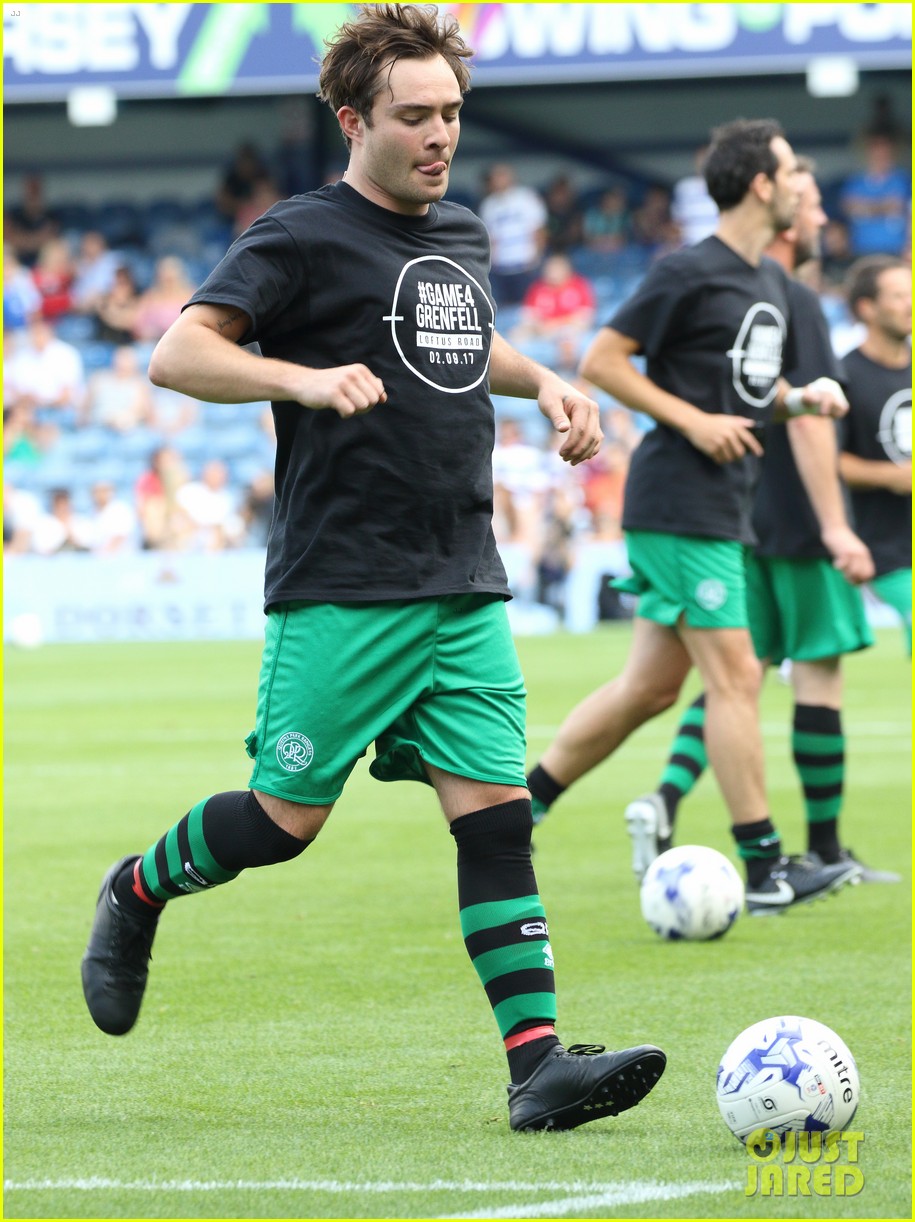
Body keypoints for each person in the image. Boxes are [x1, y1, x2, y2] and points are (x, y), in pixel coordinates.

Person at [81, 4, 665, 1135]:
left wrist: (541, 380)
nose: (440, 134)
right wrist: (298, 379)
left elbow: (456, 340)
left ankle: (537, 1068)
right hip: (345, 581)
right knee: (281, 823)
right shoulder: (299, 234)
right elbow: (178, 350)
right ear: (355, 119)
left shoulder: (464, 237)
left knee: (497, 818)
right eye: (415, 115)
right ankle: (136, 887)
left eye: (451, 112)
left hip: (464, 576)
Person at [525, 119, 861, 915]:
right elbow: (602, 360)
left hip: (720, 505)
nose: (802, 187)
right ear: (760, 185)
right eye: (790, 173)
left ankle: (519, 809)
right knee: (738, 676)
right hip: (678, 501)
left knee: (648, 688)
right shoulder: (689, 270)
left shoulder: (769, 285)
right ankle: (769, 869)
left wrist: (798, 399)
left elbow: (744, 392)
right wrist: (691, 422)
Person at [620, 161, 898, 884]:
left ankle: (661, 796)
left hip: (741, 516)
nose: (818, 221)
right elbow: (808, 429)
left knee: (724, 677)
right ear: (776, 207)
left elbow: (765, 399)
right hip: (788, 522)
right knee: (804, 678)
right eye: (806, 206)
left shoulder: (750, 294)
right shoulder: (788, 298)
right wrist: (836, 528)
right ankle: (814, 853)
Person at [838, 256, 912, 656]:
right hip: (875, 542)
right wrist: (891, 475)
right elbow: (825, 458)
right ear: (866, 308)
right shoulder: (843, 376)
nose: (910, 304)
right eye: (899, 295)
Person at [477, 162, 548, 307]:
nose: (499, 180)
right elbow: (489, 238)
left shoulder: (526, 197)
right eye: (495, 177)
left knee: (527, 308)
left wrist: (536, 257)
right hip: (501, 268)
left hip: (525, 264)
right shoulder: (488, 205)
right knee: (503, 309)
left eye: (502, 175)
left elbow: (539, 230)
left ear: (511, 177)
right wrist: (491, 263)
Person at [838, 132, 911, 258]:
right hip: (861, 248)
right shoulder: (855, 181)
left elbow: (904, 209)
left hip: (896, 249)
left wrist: (864, 207)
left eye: (885, 152)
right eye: (877, 152)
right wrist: (884, 206)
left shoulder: (903, 180)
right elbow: (848, 208)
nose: (881, 156)